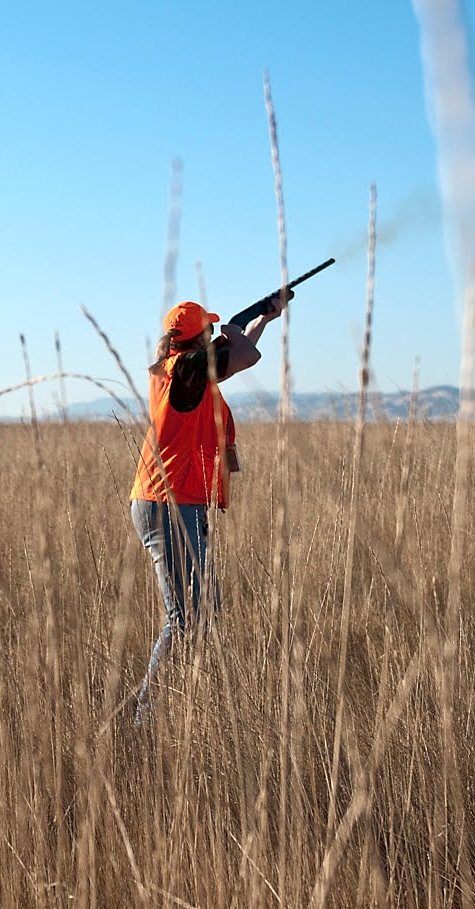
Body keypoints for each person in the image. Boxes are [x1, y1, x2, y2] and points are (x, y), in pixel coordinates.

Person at [130, 295, 285, 725]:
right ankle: (144, 716)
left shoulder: (186, 370)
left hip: (178, 503)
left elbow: (236, 356)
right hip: (168, 504)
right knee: (184, 619)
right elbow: (243, 353)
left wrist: (263, 319)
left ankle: (165, 702)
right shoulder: (184, 371)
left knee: (203, 609)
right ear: (199, 337)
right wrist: (238, 329)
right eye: (210, 330)